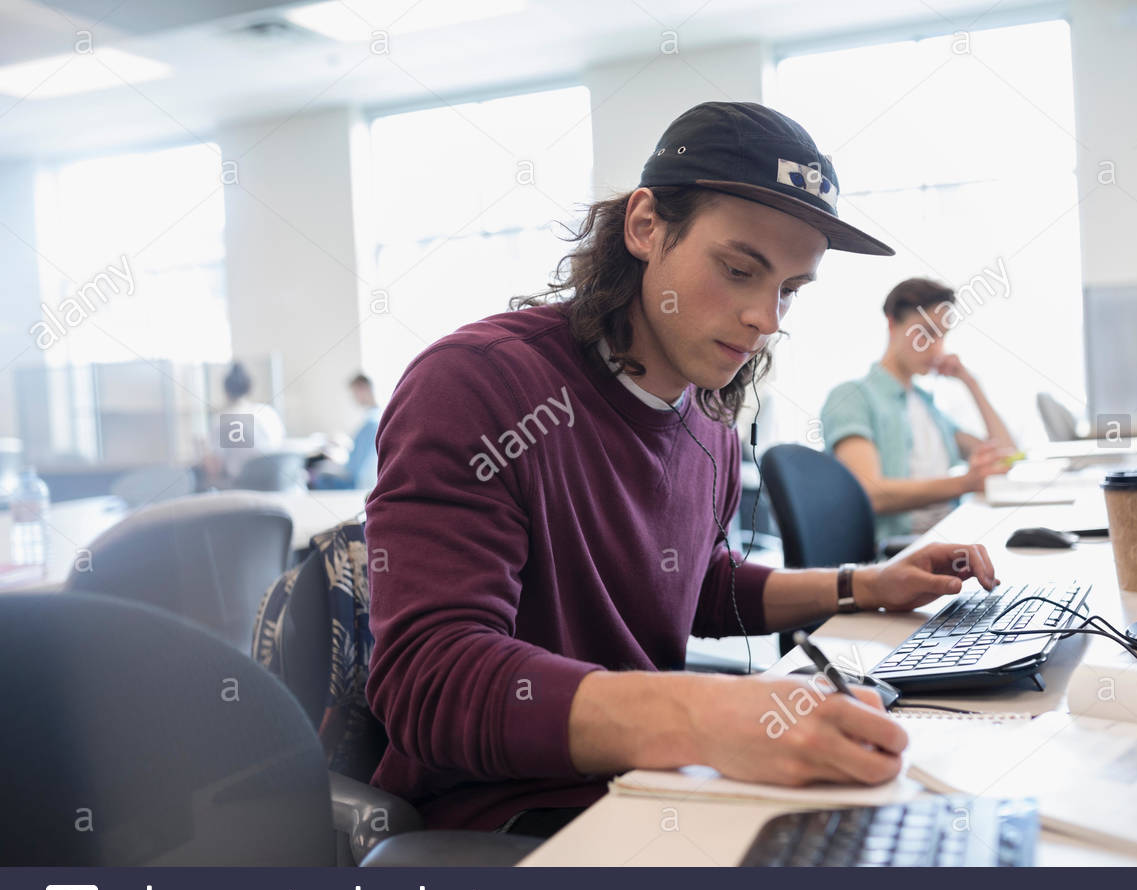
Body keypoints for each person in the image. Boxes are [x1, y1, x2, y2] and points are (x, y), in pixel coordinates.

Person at [364, 102, 999, 837]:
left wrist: (862, 585)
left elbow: (698, 586)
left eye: (790, 289)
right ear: (645, 227)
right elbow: (429, 682)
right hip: (513, 820)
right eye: (738, 270)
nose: (767, 317)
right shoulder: (478, 386)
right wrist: (705, 714)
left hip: (656, 782)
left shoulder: (709, 426)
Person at [820, 278, 1015, 546]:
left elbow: (1006, 457)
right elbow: (870, 492)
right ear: (892, 324)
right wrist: (965, 483)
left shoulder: (928, 406)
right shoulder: (853, 397)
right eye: (925, 333)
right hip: (899, 553)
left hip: (952, 538)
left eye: (942, 335)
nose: (936, 347)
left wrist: (971, 383)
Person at [202, 361, 286, 487]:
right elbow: (280, 446)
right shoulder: (268, 413)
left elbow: (215, 469)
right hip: (277, 484)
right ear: (249, 388)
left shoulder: (222, 420)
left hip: (243, 487)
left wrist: (203, 449)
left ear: (226, 391)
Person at [311, 373, 382, 491]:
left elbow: (353, 470)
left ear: (362, 388)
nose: (354, 398)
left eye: (354, 393)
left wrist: (332, 467)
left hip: (357, 485)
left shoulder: (372, 423)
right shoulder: (376, 417)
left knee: (315, 474)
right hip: (363, 481)